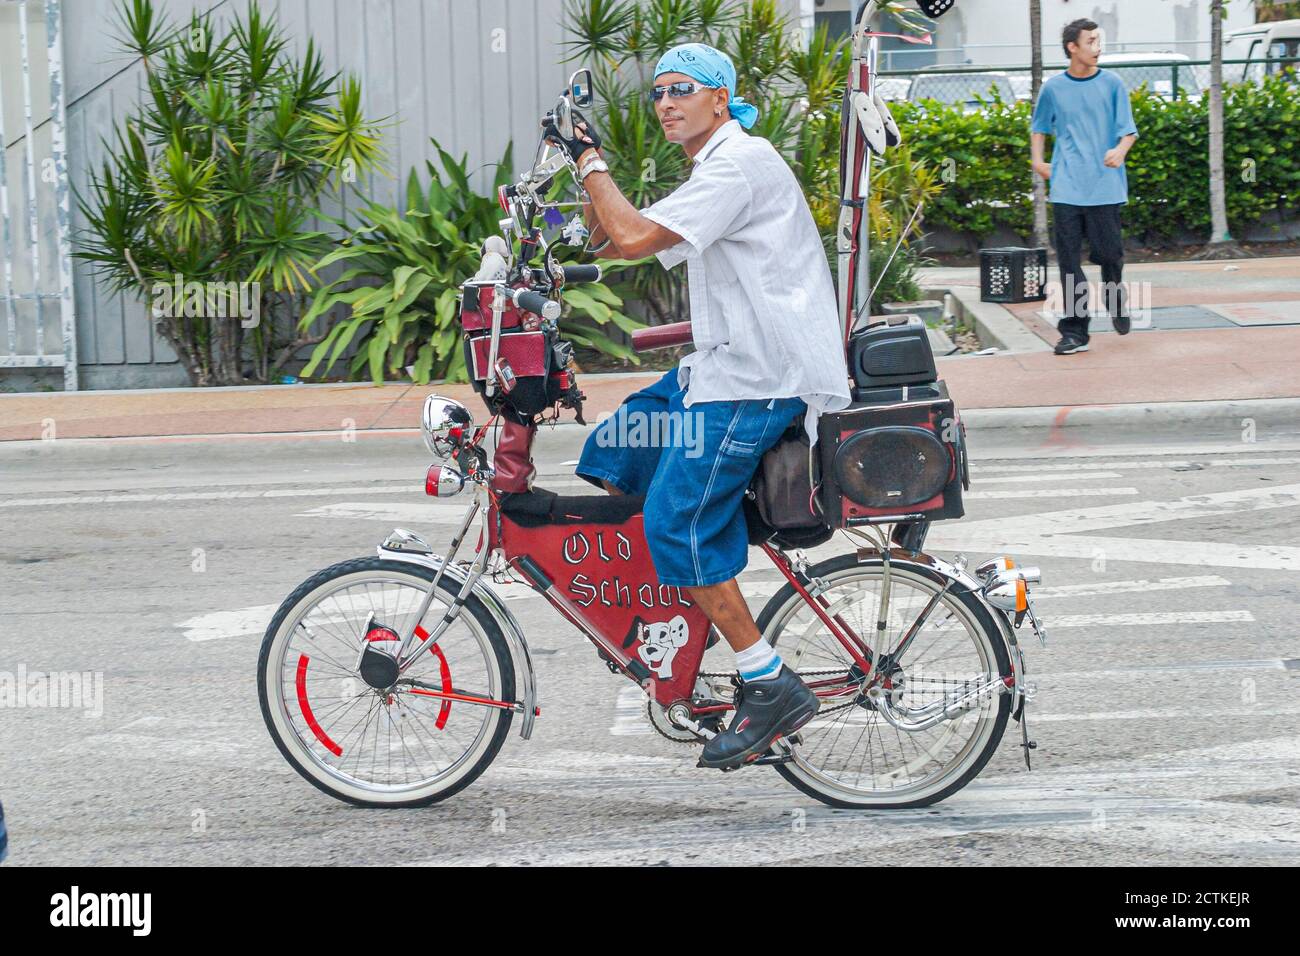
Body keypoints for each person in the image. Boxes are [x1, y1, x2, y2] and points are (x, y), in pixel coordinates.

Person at [543, 42, 851, 770]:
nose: (665, 102)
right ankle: (695, 600)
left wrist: (589, 160)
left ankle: (769, 681)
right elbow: (623, 237)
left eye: (682, 88)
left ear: (721, 97)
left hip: (760, 380)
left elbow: (636, 234)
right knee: (617, 448)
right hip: (723, 368)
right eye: (657, 92)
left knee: (672, 520)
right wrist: (557, 237)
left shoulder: (740, 164)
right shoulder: (715, 166)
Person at [1031, 18, 1139, 355]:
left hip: (1105, 187)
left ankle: (1113, 294)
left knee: (1110, 255)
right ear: (1072, 48)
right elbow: (1039, 127)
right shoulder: (1053, 88)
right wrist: (1037, 161)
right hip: (1066, 188)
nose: (1098, 47)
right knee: (1068, 264)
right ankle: (1075, 331)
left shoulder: (1112, 84)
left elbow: (1129, 131)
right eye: (1090, 41)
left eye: (1098, 40)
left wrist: (1120, 151)